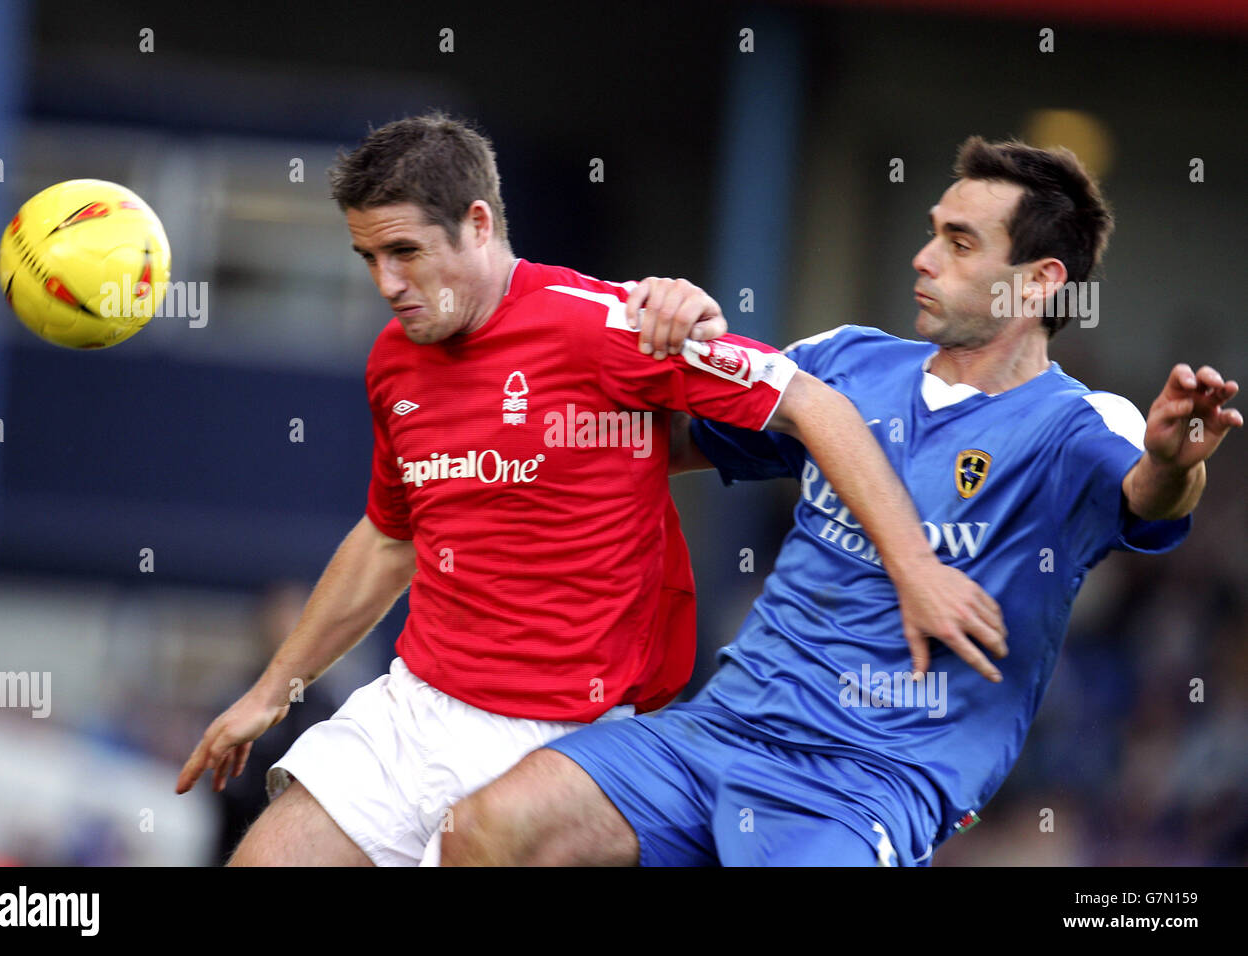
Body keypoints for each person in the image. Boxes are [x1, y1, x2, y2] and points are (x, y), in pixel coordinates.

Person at [174, 114, 1005, 866]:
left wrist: (915, 568)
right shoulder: (394, 361)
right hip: (415, 706)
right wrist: (269, 692)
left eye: (405, 252)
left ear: (477, 224)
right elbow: (390, 539)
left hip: (565, 742)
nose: (387, 282)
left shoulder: (608, 325)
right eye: (368, 258)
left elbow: (814, 404)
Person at [440, 135, 1242, 867]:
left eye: (960, 243)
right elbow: (668, 442)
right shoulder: (844, 360)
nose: (924, 258)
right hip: (720, 732)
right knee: (485, 829)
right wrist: (662, 329)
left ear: (1038, 283)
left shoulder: (1079, 422)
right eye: (933, 230)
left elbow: (1151, 496)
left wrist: (1176, 460)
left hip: (869, 785)